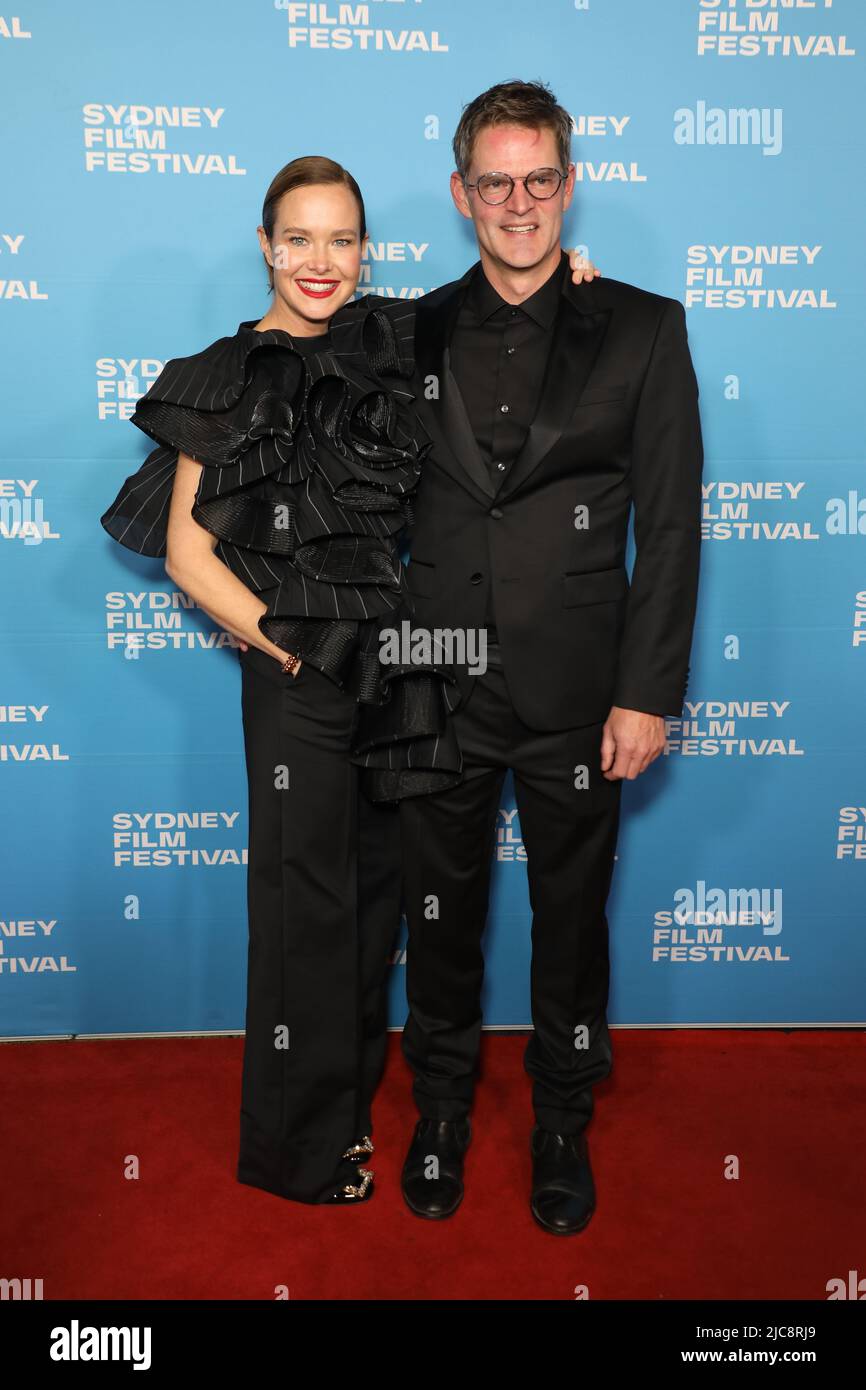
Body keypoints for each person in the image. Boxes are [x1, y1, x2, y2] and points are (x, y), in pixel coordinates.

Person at [100, 154, 599, 1206]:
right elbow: (190, 554)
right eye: (299, 239)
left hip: (402, 664)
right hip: (299, 672)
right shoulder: (227, 371)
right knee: (306, 908)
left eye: (340, 239)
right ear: (265, 245)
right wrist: (286, 648)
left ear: (362, 250)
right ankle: (301, 1149)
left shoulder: (387, 338)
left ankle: (353, 1095)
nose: (319, 261)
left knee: (380, 899)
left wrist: (567, 270)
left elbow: (497, 302)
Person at [392, 81, 704, 1235]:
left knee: (571, 920)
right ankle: (437, 1111)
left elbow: (668, 525)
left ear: (567, 185)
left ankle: (561, 1119)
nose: (516, 203)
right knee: (440, 913)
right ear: (460, 193)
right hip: (434, 677)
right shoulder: (403, 330)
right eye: (493, 182)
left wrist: (644, 691)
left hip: (580, 690)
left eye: (538, 180)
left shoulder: (641, 325)